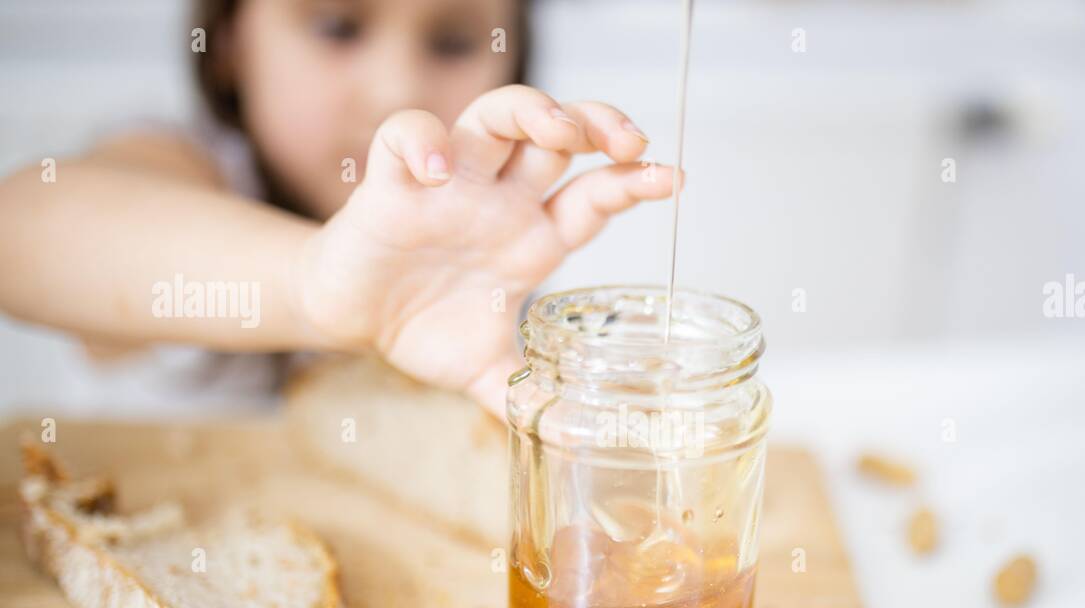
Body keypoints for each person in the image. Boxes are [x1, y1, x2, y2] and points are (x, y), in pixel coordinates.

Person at [0, 0, 677, 414]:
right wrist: (311, 282)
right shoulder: (190, 168)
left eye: (453, 41)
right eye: (336, 25)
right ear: (231, 40)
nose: (396, 86)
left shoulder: (488, 236)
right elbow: (22, 232)